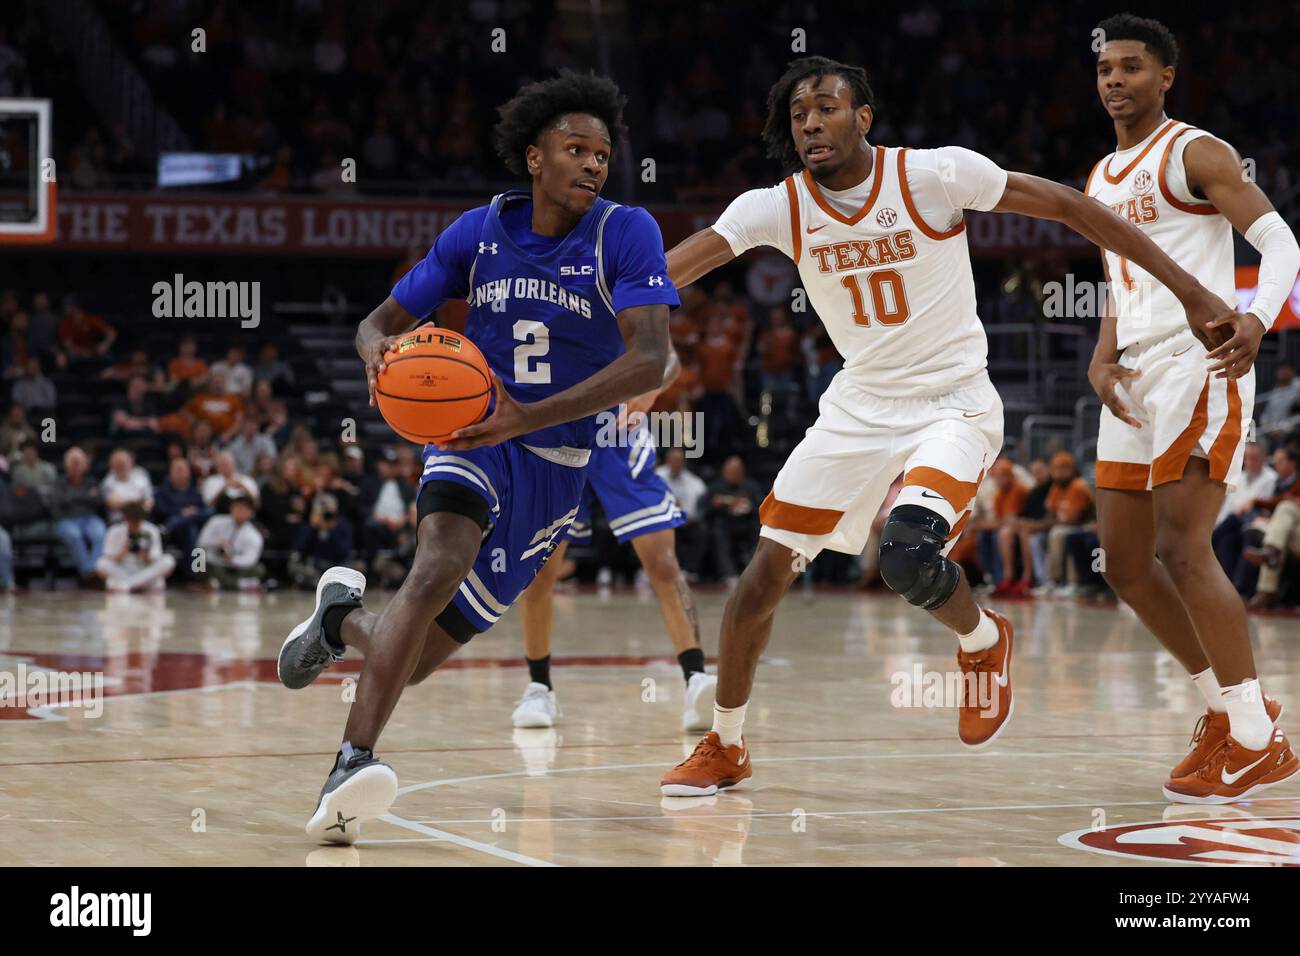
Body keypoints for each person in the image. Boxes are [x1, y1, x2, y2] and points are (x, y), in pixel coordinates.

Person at [655, 54, 1240, 797]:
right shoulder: (776, 207)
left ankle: (981, 640)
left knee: (906, 554)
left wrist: (1188, 289)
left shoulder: (932, 176)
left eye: (827, 108)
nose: (811, 124)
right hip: (857, 407)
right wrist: (595, 300)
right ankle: (726, 745)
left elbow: (1072, 208)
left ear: (863, 117)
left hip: (952, 404)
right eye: (800, 115)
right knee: (760, 580)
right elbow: (670, 273)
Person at [274, 71, 676, 843]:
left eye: (603, 152)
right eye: (575, 149)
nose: (594, 164)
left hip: (557, 470)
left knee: (416, 656)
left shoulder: (626, 232)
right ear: (534, 157)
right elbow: (377, 322)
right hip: (468, 438)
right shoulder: (478, 231)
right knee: (434, 567)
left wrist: (534, 415)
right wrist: (378, 358)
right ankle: (350, 762)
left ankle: (340, 619)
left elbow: (651, 361)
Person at [1085, 14, 1300, 803]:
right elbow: (1120, 278)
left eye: (1132, 67)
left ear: (1165, 77)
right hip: (1132, 376)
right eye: (1106, 68)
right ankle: (1226, 712)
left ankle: (1257, 738)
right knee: (1126, 563)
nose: (1115, 80)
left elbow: (1282, 245)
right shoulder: (1100, 177)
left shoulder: (1195, 151)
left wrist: (1253, 318)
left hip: (1197, 363)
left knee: (1184, 549)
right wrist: (1103, 354)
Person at [512, 386, 716, 733]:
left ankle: (696, 678)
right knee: (539, 571)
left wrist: (651, 391)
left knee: (664, 564)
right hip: (557, 430)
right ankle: (539, 687)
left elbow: (668, 359)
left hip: (616, 431)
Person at [49, 446, 106, 585]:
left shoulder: (91, 481)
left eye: (79, 462)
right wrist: (85, 497)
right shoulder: (59, 482)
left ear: (85, 465)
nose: (76, 466)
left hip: (90, 518)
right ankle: (89, 572)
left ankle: (90, 571)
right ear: (66, 465)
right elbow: (56, 505)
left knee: (100, 533)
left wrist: (72, 499)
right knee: (74, 535)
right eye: (73, 462)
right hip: (66, 520)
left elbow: (99, 502)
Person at [706, 455, 762, 585]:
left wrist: (747, 506)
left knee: (760, 531)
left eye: (735, 472)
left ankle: (755, 571)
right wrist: (715, 506)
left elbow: (760, 508)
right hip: (724, 524)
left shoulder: (751, 487)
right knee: (718, 532)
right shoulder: (716, 487)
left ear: (741, 473)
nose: (732, 475)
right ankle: (728, 574)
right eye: (729, 472)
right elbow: (706, 509)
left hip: (747, 523)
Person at [95, 501, 175, 592]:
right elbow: (108, 557)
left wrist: (146, 557)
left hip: (144, 569)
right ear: (126, 518)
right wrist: (122, 553)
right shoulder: (114, 531)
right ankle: (137, 584)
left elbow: (156, 558)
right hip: (122, 569)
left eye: (137, 521)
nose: (134, 524)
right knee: (101, 563)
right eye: (132, 520)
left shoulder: (151, 530)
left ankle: (128, 585)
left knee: (168, 560)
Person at [656, 447, 709, 578]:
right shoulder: (656, 476)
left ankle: (688, 571)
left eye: (679, 460)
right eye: (673, 460)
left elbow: (700, 506)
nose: (676, 463)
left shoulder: (695, 482)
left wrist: (692, 517)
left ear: (684, 462)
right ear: (667, 461)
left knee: (701, 531)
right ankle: (656, 570)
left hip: (686, 521)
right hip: (661, 520)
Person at [197, 495, 265, 589]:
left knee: (259, 569)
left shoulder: (254, 535)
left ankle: (222, 583)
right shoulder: (216, 521)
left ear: (250, 512)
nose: (239, 512)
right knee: (198, 560)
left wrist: (231, 559)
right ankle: (239, 584)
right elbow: (201, 542)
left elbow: (251, 559)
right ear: (231, 508)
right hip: (213, 561)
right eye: (237, 507)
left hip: (236, 567)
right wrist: (218, 543)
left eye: (243, 509)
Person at [154, 457, 210, 555]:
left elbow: (203, 510)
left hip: (184, 526)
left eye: (183, 470)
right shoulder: (162, 491)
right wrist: (180, 511)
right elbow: (161, 509)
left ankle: (175, 522)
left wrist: (190, 513)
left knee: (207, 513)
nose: (180, 474)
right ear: (170, 473)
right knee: (191, 530)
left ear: (188, 472)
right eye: (177, 471)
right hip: (173, 533)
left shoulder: (195, 491)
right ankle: (196, 568)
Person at [100, 448, 154, 523]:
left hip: (141, 519)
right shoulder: (108, 481)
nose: (121, 466)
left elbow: (149, 501)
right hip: (118, 520)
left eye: (123, 463)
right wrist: (138, 504)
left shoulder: (141, 475)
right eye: (118, 463)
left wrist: (130, 506)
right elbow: (113, 504)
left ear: (131, 463)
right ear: (112, 465)